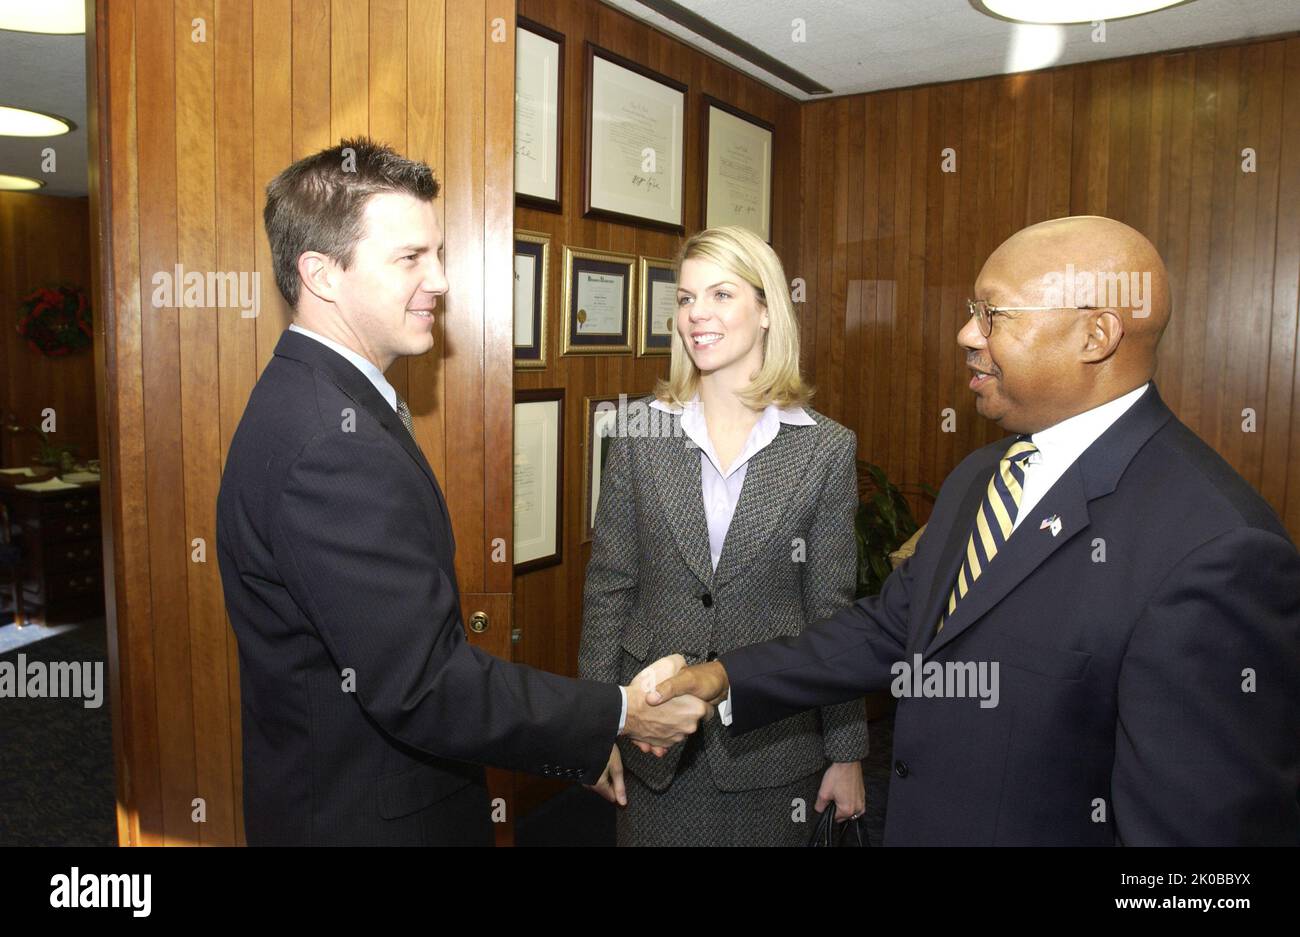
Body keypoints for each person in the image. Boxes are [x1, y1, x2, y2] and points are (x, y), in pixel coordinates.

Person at [650, 215, 1300, 845]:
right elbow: (890, 628)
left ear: (1096, 335)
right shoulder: (981, 475)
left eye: (994, 314)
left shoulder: (1219, 548)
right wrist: (720, 678)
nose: (966, 333)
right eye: (972, 310)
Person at [216, 138, 708, 846]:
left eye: (438, 253)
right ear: (321, 274)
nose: (441, 280)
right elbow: (425, 685)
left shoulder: (319, 400)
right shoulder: (330, 441)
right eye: (411, 257)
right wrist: (620, 710)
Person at [578, 226, 868, 846]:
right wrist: (597, 726)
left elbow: (830, 616)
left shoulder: (823, 449)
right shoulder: (637, 434)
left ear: (766, 312)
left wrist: (846, 751)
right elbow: (609, 589)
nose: (696, 315)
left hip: (772, 746)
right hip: (654, 743)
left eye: (720, 295)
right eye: (685, 299)